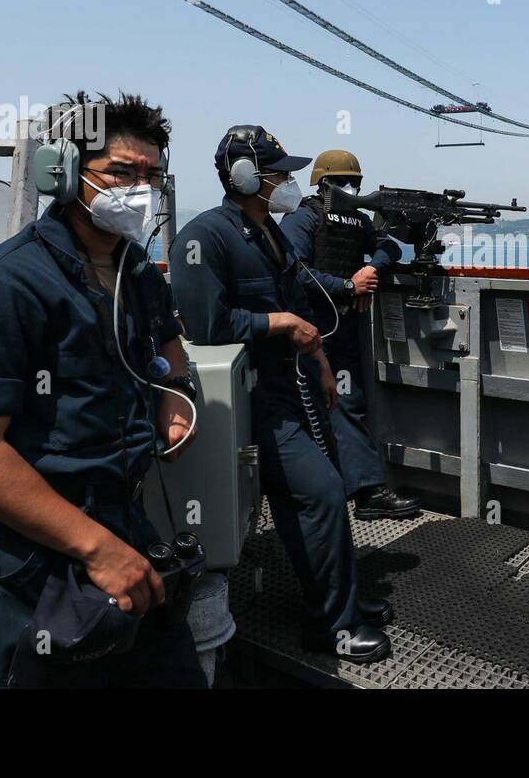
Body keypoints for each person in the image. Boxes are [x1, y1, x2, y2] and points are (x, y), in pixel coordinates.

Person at [0, 92, 206, 687]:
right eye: (122, 172)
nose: (140, 190)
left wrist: (174, 396)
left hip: (123, 525)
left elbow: (168, 343)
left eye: (152, 176)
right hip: (31, 557)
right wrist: (97, 550)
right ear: (64, 172)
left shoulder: (135, 272)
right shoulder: (0, 287)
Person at [169, 127, 391, 663]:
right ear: (246, 177)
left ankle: (339, 599)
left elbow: (300, 297)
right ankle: (332, 625)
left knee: (313, 495)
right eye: (280, 174)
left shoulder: (269, 233)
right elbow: (205, 325)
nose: (289, 183)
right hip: (250, 403)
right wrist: (280, 323)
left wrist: (319, 361)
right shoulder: (205, 237)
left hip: (291, 385)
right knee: (322, 493)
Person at [281, 150, 420, 520]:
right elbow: (295, 271)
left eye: (355, 182)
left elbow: (389, 246)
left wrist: (371, 271)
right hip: (312, 330)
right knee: (327, 409)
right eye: (343, 181)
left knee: (346, 406)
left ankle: (359, 490)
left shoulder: (358, 220)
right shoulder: (304, 217)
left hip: (342, 328)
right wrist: (346, 286)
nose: (351, 187)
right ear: (324, 184)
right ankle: (356, 492)